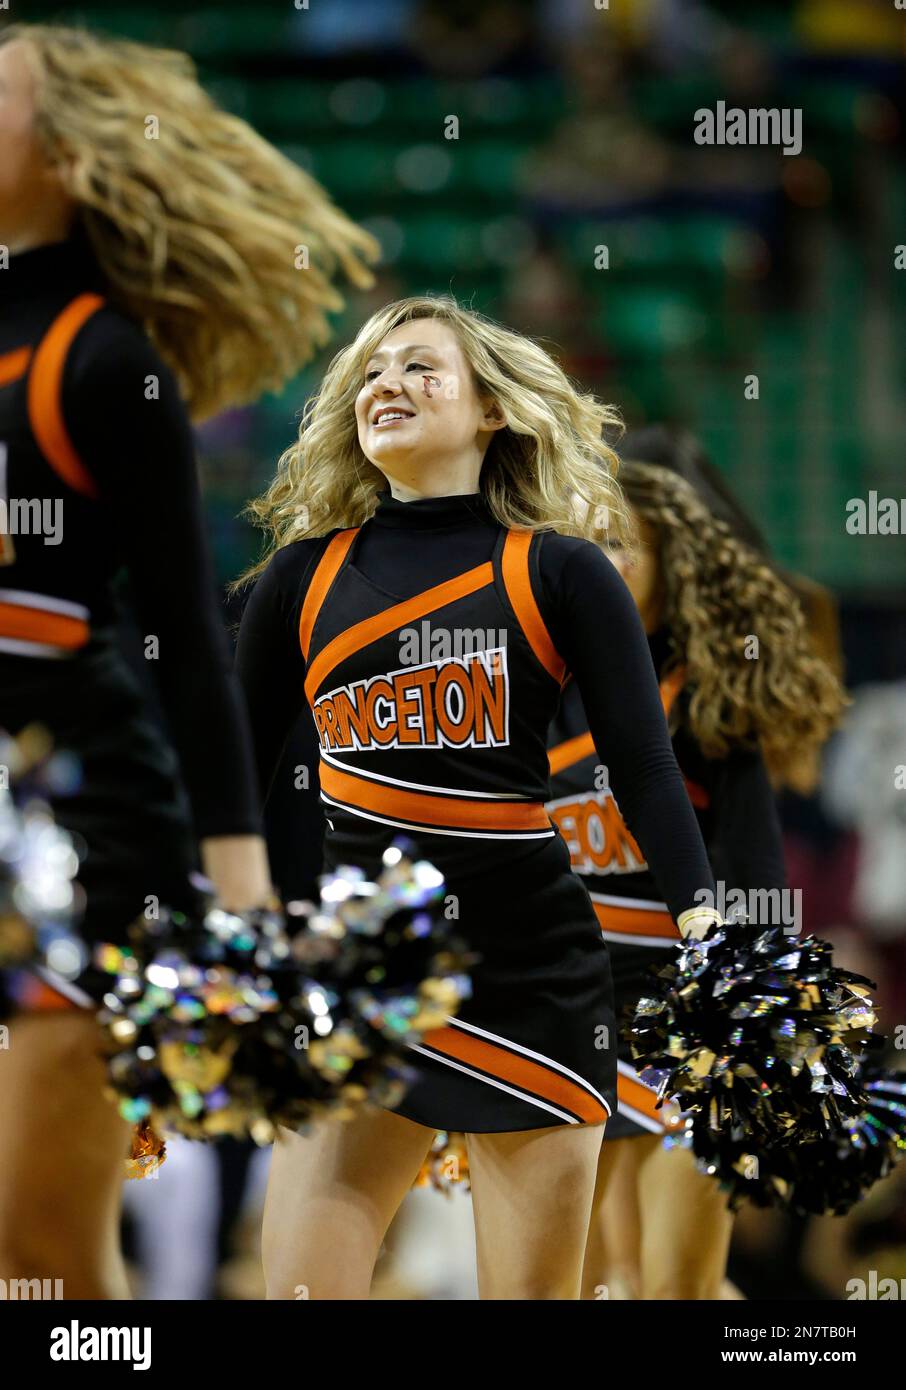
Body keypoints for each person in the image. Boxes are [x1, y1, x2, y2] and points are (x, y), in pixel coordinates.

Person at [236, 296, 725, 1300]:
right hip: (367, 977)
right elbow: (236, 778)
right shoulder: (300, 581)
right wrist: (226, 940)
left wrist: (710, 934)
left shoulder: (562, 571)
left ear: (491, 408)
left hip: (534, 972)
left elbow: (644, 774)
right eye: (372, 373)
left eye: (420, 367)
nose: (388, 386)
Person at [0, 23, 377, 1298]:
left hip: (78, 835)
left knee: (43, 1260)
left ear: (67, 151)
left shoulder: (108, 361)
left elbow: (192, 648)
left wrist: (239, 896)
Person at [544, 425, 846, 1299]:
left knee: (676, 1287)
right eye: (585, 541)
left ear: (673, 562)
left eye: (620, 542)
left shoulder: (709, 705)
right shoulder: (545, 691)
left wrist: (755, 1030)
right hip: (576, 1016)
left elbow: (755, 880)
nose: (599, 561)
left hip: (689, 1027)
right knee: (590, 1280)